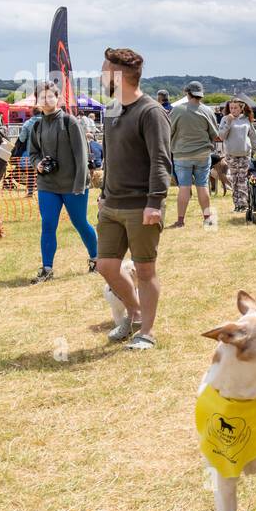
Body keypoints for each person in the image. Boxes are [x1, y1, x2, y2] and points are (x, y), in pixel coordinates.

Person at [94, 47, 171, 351]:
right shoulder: (111, 109)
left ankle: (147, 332)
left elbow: (161, 161)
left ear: (118, 76)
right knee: (106, 266)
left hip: (142, 205)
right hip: (111, 204)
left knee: (145, 269)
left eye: (103, 71)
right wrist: (103, 194)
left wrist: (155, 202)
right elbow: (111, 159)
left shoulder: (151, 112)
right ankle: (135, 312)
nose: (100, 76)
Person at [27, 80, 98, 283]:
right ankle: (47, 268)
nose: (47, 100)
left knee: (80, 223)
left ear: (58, 98)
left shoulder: (70, 122)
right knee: (48, 224)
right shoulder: (37, 125)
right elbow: (32, 152)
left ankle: (96, 258)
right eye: (43, 97)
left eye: (51, 96)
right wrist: (37, 163)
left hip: (73, 185)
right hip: (47, 185)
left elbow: (81, 156)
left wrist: (78, 185)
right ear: (37, 100)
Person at [167, 80, 219, 227]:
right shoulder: (207, 110)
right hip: (203, 153)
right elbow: (215, 134)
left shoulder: (177, 110)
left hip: (182, 154)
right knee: (202, 186)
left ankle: (180, 220)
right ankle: (208, 219)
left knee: (184, 187)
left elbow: (169, 131)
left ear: (187, 93)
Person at [219, 98, 256, 212]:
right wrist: (228, 122)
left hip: (245, 154)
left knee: (242, 179)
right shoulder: (225, 119)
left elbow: (253, 138)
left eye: (235, 108)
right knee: (234, 179)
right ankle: (237, 205)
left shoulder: (247, 119)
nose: (233, 110)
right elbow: (221, 136)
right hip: (230, 155)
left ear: (241, 108)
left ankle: (244, 204)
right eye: (231, 108)